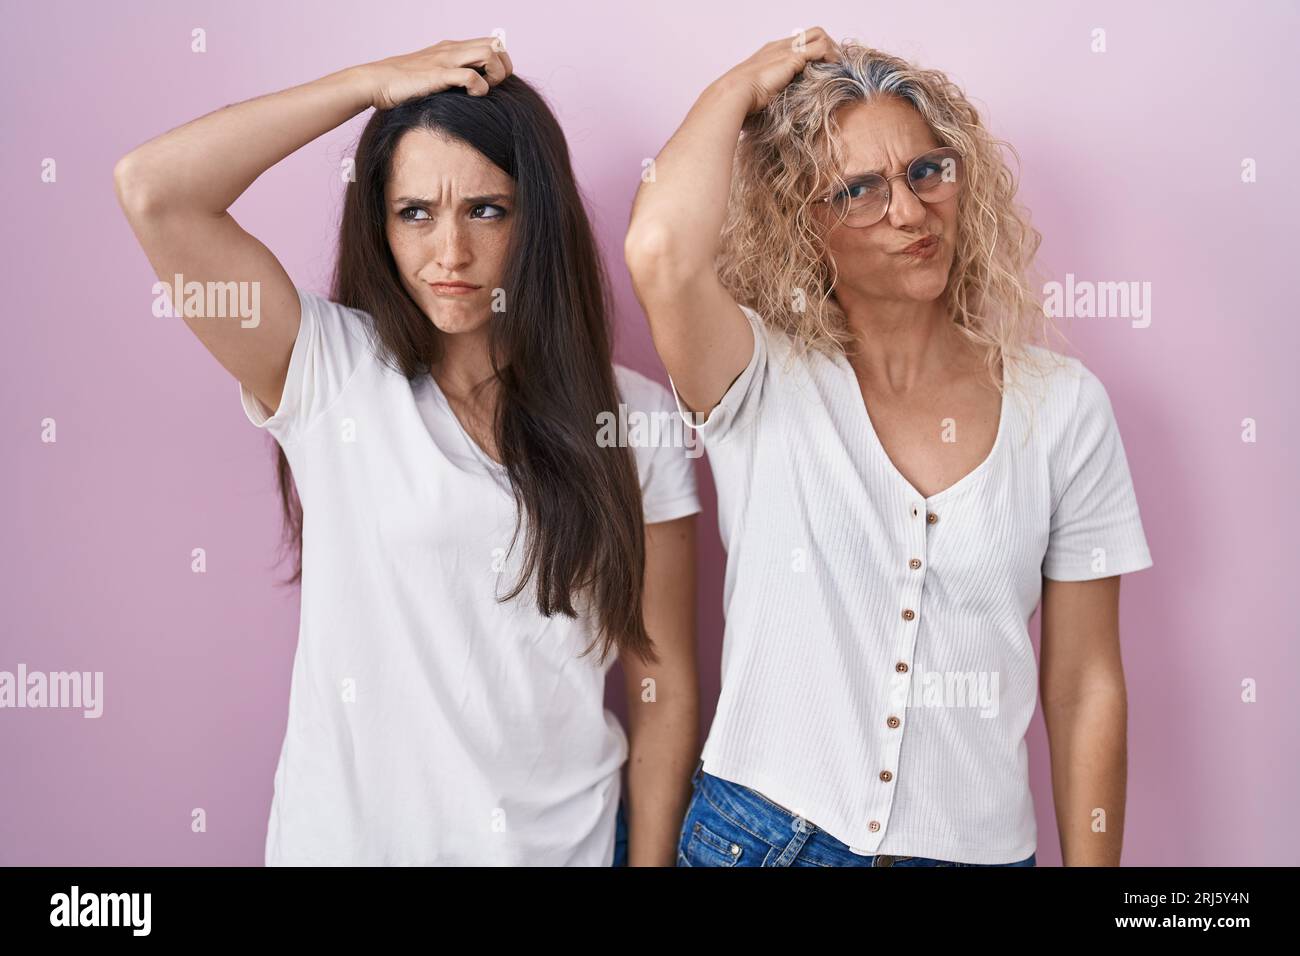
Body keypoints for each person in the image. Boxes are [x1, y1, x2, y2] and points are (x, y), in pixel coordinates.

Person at [115, 38, 701, 866]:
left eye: (486, 210)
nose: (449, 254)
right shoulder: (326, 370)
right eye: (415, 212)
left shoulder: (634, 419)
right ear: (379, 220)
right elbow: (154, 190)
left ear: (537, 221)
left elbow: (662, 682)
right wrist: (365, 86)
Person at [625, 30, 1153, 867]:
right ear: (804, 224)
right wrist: (741, 85)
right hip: (761, 839)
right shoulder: (757, 378)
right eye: (858, 190)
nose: (908, 212)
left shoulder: (1063, 408)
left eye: (925, 171)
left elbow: (1085, 685)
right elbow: (657, 251)